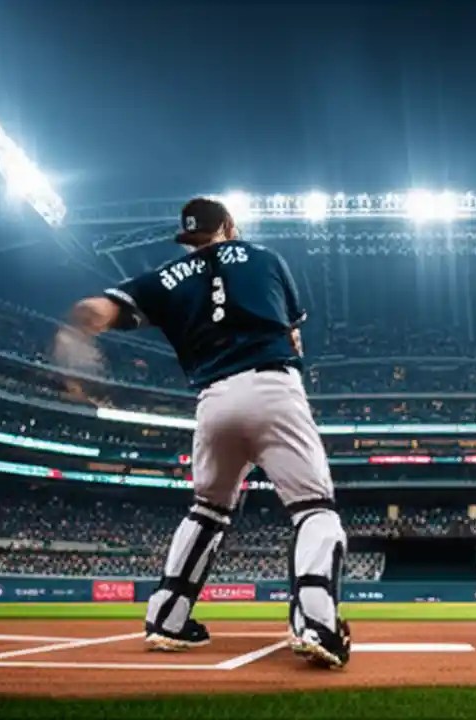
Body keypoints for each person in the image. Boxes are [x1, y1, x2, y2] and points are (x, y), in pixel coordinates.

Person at [54, 196, 351, 668]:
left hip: (213, 402)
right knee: (314, 508)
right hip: (272, 384)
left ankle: (168, 618)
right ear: (229, 225)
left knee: (208, 511)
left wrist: (74, 340)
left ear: (187, 238)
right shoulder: (266, 257)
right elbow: (294, 336)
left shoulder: (167, 278)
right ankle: (315, 622)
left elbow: (93, 311)